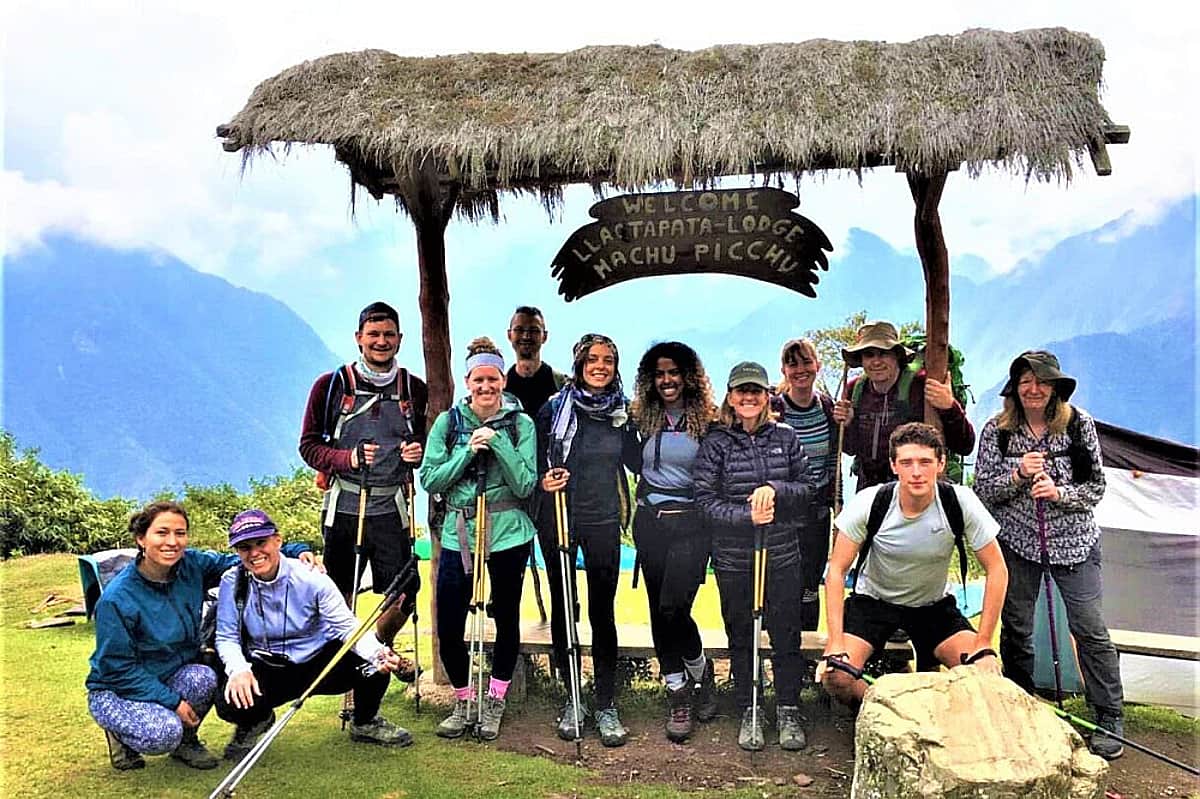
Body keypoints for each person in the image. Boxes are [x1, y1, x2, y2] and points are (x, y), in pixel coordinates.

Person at [86, 501, 314, 771]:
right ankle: (122, 735)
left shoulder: (191, 565)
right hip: (117, 689)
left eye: (180, 533)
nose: (172, 542)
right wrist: (173, 702)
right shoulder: (117, 600)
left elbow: (244, 557)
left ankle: (187, 742)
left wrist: (296, 551)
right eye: (162, 533)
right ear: (140, 539)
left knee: (205, 676)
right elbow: (117, 669)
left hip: (170, 672)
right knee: (162, 733)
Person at [973, 351, 1123, 759]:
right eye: (1025, 382)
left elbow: (1095, 488)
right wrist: (1019, 475)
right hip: (1019, 543)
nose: (1033, 389)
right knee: (1017, 626)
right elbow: (984, 489)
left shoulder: (1078, 426)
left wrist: (1060, 494)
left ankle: (1109, 715)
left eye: (1041, 381)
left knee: (1089, 627)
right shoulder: (997, 431)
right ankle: (1020, 702)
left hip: (1075, 544)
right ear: (1014, 388)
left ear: (1055, 387)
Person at [819, 423, 1008, 708]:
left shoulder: (960, 501)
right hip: (874, 602)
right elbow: (835, 571)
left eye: (925, 462)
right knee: (837, 677)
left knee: (985, 676)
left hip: (932, 607)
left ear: (941, 463)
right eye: (906, 463)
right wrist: (834, 642)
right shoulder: (871, 502)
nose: (916, 472)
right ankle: (891, 711)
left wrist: (983, 642)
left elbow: (997, 569)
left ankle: (922, 707)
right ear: (894, 466)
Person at [215, 509, 411, 759]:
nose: (254, 553)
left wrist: (377, 654)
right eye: (244, 547)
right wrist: (238, 670)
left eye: (261, 542)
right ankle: (257, 721)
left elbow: (347, 627)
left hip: (320, 662)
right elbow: (226, 637)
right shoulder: (231, 581)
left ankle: (365, 722)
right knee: (228, 699)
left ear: (278, 540)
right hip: (267, 665)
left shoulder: (311, 577)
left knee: (373, 664)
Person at [298, 301, 426, 679]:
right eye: (373, 335)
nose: (381, 342)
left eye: (388, 335)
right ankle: (347, 673)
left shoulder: (413, 389)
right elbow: (308, 446)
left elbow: (423, 441)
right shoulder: (332, 385)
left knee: (405, 589)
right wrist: (348, 458)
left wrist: (415, 451)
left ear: (400, 340)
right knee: (340, 596)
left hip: (392, 507)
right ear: (358, 339)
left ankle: (377, 653)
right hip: (345, 505)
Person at [419, 338, 537, 741]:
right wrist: (468, 451)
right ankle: (464, 698)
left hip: (508, 533)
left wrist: (498, 442)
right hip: (459, 534)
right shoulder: (448, 424)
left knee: (505, 617)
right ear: (467, 382)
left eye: (492, 379)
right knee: (450, 622)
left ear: (503, 381)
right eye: (478, 379)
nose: (486, 386)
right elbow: (430, 479)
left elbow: (525, 483)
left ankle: (496, 698)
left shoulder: (521, 425)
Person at [693, 361, 814, 752]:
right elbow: (705, 503)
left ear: (767, 396)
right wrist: (747, 515)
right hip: (733, 558)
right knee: (742, 635)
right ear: (730, 396)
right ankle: (750, 705)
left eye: (756, 391)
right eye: (741, 391)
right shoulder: (716, 443)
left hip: (781, 554)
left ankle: (789, 707)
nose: (749, 398)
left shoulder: (786, 436)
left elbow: (807, 488)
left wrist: (773, 490)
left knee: (785, 635)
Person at [536, 333, 640, 747]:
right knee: (564, 609)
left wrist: (640, 426)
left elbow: (635, 461)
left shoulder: (622, 412)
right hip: (558, 516)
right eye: (593, 359)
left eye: (609, 360)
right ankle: (572, 696)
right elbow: (537, 462)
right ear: (579, 363)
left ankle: (605, 701)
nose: (601, 366)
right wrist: (545, 481)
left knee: (602, 611)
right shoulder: (552, 410)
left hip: (603, 518)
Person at [629, 341, 719, 743]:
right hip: (650, 523)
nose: (667, 381)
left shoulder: (709, 422)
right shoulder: (641, 421)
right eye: (660, 374)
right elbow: (631, 462)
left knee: (673, 607)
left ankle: (701, 672)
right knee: (656, 610)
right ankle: (678, 691)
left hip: (692, 524)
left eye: (674, 373)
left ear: (689, 377)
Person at [833, 320, 974, 491]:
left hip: (915, 490)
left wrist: (949, 407)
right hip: (869, 491)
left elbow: (965, 444)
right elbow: (850, 448)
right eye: (869, 354)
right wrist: (846, 425)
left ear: (896, 355)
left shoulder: (921, 385)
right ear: (862, 359)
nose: (876, 362)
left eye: (883, 353)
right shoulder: (855, 390)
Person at [770, 338, 839, 640]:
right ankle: (779, 650)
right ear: (783, 369)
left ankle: (808, 650)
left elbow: (836, 454)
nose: (800, 370)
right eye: (793, 363)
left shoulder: (826, 407)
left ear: (817, 366)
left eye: (806, 362)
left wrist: (837, 500)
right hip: (783, 510)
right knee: (781, 582)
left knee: (811, 581)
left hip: (817, 510)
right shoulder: (774, 408)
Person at [505, 305, 568, 416]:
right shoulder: (500, 388)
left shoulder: (563, 386)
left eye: (534, 330)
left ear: (544, 336)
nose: (526, 336)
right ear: (509, 335)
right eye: (519, 330)